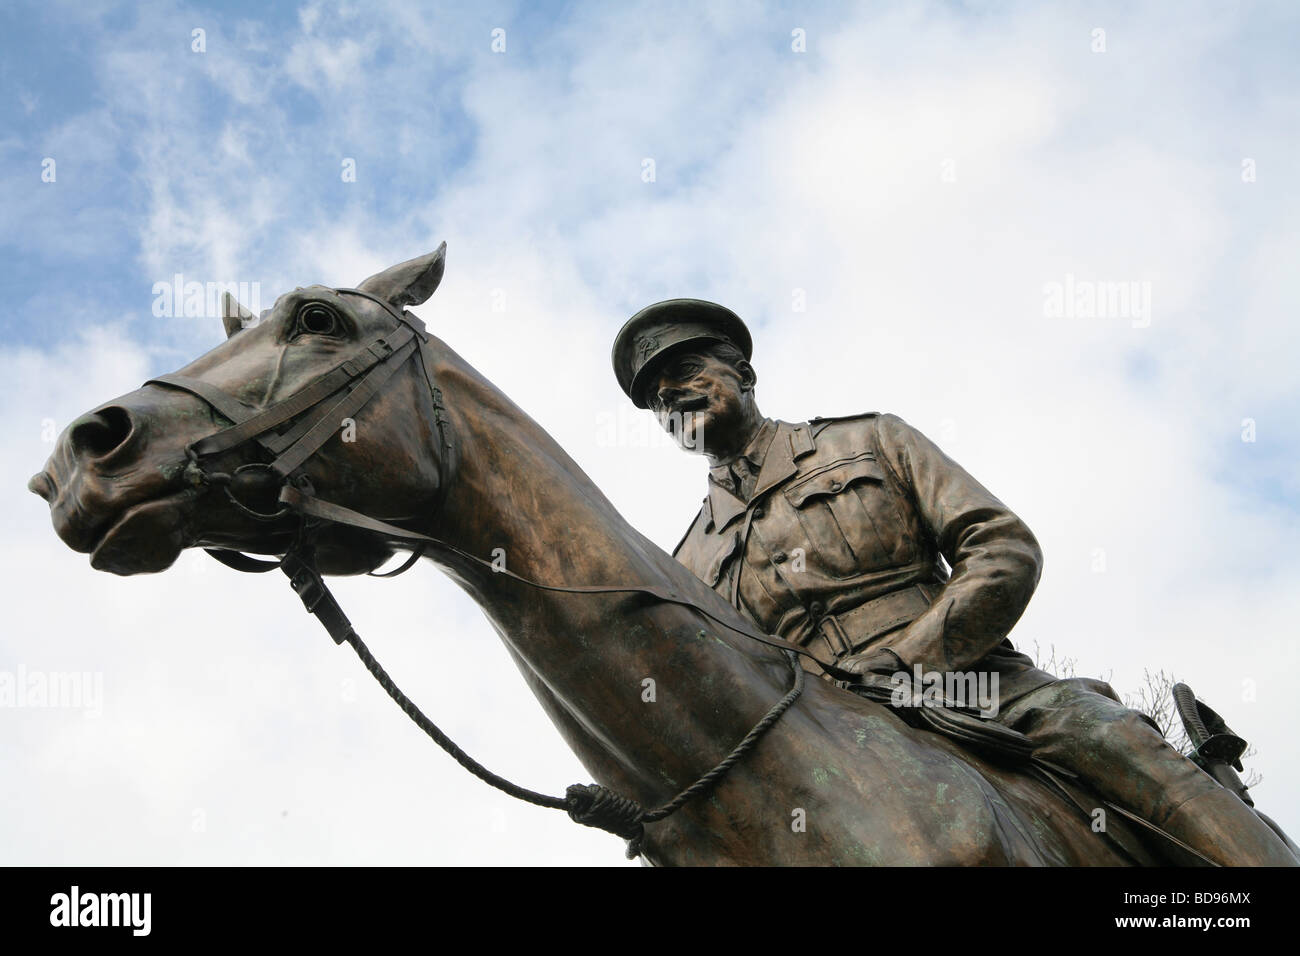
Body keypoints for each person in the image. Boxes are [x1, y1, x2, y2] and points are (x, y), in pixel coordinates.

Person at [611, 297, 1296, 866]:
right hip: (827, 739)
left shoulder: (868, 441)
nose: (673, 392)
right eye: (657, 397)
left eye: (688, 369)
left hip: (969, 685)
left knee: (1110, 739)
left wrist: (911, 660)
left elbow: (1001, 547)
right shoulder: (690, 564)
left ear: (744, 373)